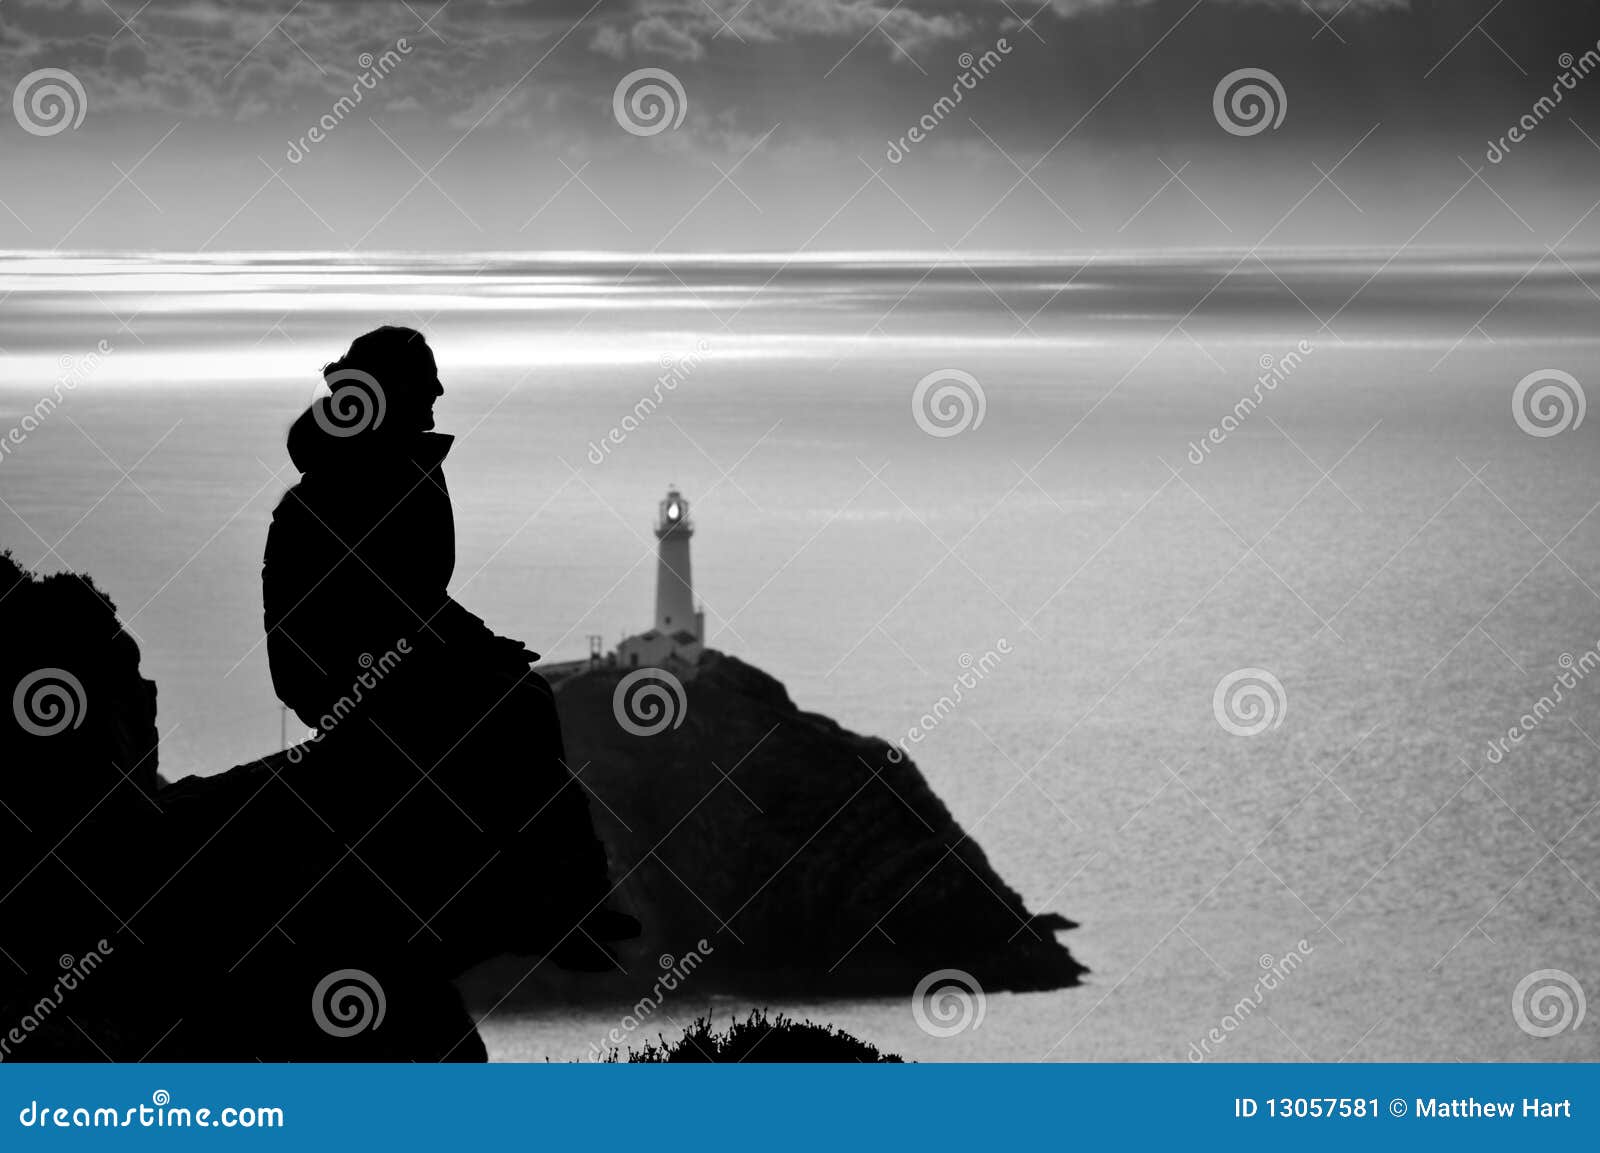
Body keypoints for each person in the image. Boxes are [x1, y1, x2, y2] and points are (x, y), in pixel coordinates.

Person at [262, 326, 635, 970]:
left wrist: (478, 643)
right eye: (424, 378)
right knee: (513, 708)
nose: (437, 390)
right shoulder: (356, 482)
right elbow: (388, 603)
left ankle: (562, 900)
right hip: (340, 675)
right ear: (390, 391)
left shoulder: (390, 468)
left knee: (520, 697)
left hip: (378, 660)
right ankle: (555, 903)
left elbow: (414, 598)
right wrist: (467, 649)